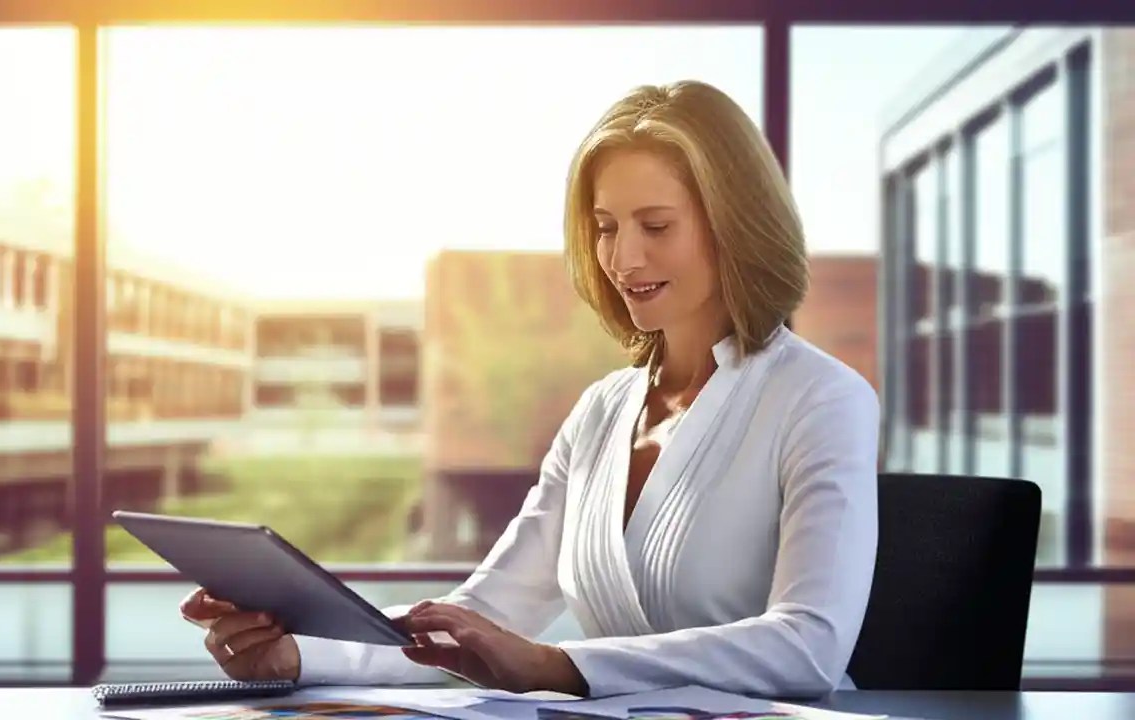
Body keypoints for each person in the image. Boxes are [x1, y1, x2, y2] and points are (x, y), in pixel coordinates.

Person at [180, 79, 880, 700]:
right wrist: (294, 654)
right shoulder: (602, 412)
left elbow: (808, 646)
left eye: (655, 226)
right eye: (605, 228)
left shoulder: (821, 400)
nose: (622, 258)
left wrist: (552, 666)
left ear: (736, 226)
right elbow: (483, 619)